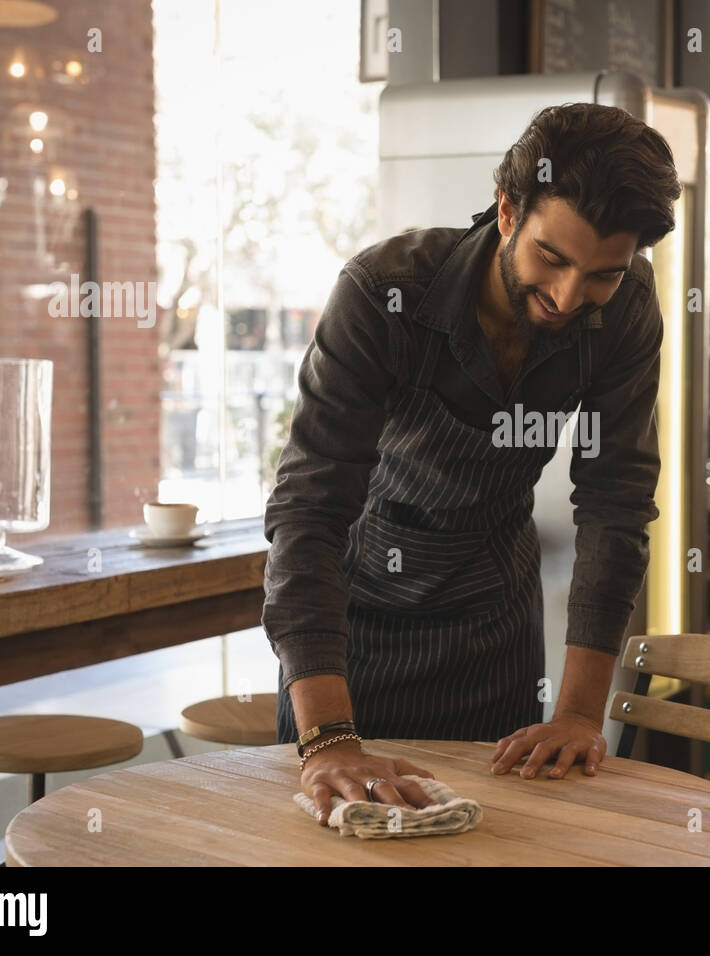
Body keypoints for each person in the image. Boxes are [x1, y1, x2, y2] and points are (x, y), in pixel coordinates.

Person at [263, 102, 681, 822]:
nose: (566, 297)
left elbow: (615, 508)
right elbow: (310, 512)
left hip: (494, 629)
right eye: (552, 258)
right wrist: (329, 736)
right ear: (508, 210)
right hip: (357, 634)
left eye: (601, 275)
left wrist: (581, 715)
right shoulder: (382, 295)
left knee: (499, 844)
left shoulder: (629, 312)